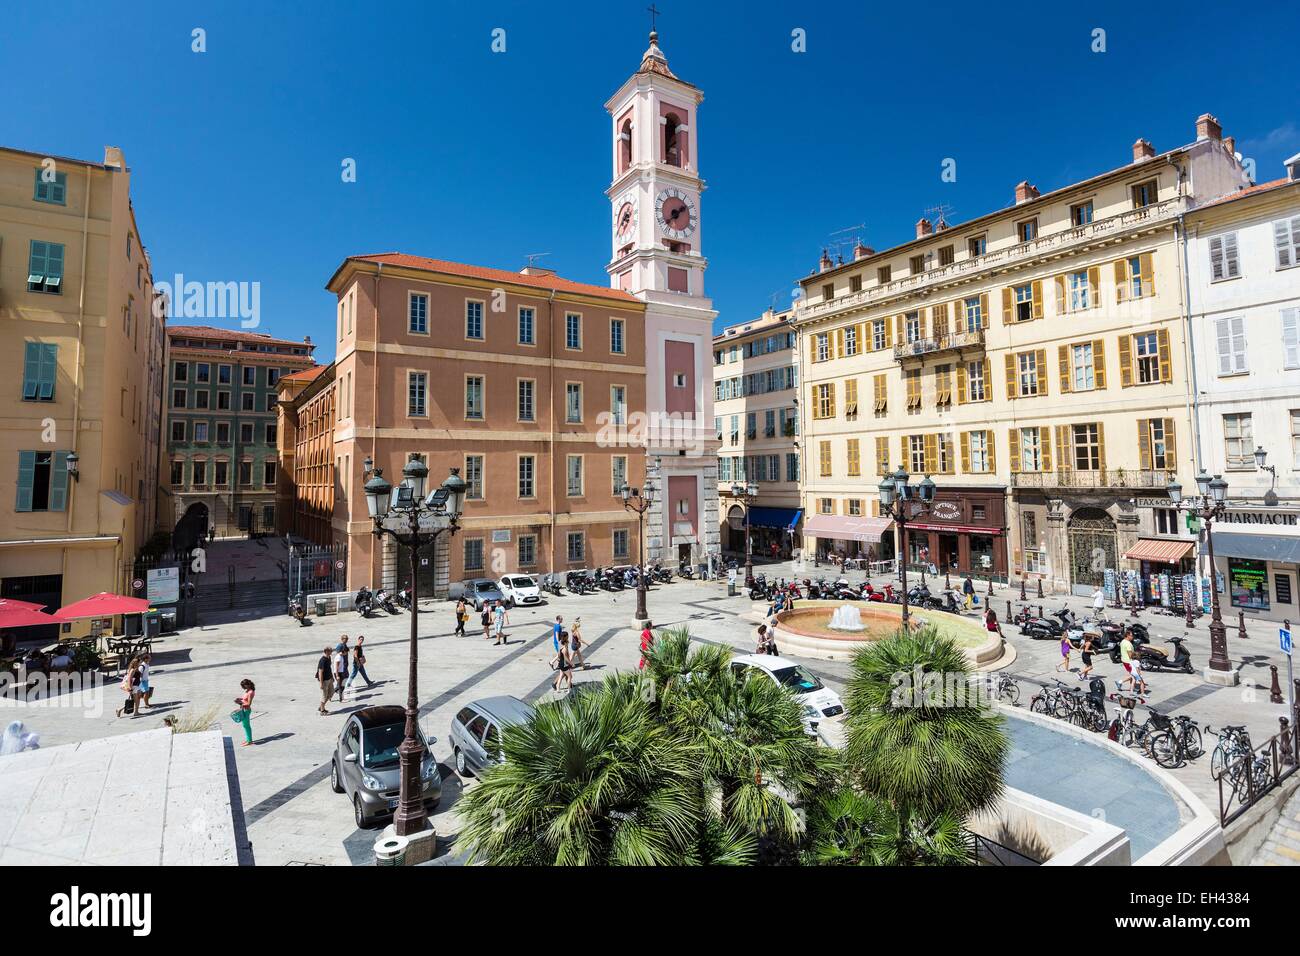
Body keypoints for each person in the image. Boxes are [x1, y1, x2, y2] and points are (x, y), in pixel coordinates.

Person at [232, 679, 255, 747]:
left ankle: (249, 741)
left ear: (248, 684)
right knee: (245, 726)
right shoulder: (247, 691)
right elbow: (244, 699)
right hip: (243, 709)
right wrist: (240, 699)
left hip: (246, 710)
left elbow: (249, 703)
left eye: (243, 686)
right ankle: (248, 739)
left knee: (246, 726)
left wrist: (240, 703)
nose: (243, 687)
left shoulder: (250, 692)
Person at [316, 645, 334, 715]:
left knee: (331, 692)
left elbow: (329, 668)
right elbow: (320, 672)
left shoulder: (329, 657)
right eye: (330, 651)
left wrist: (332, 677)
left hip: (329, 678)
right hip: (324, 680)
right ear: (326, 651)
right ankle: (322, 711)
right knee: (324, 695)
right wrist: (321, 683)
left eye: (331, 651)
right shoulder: (322, 660)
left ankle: (321, 706)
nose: (331, 652)